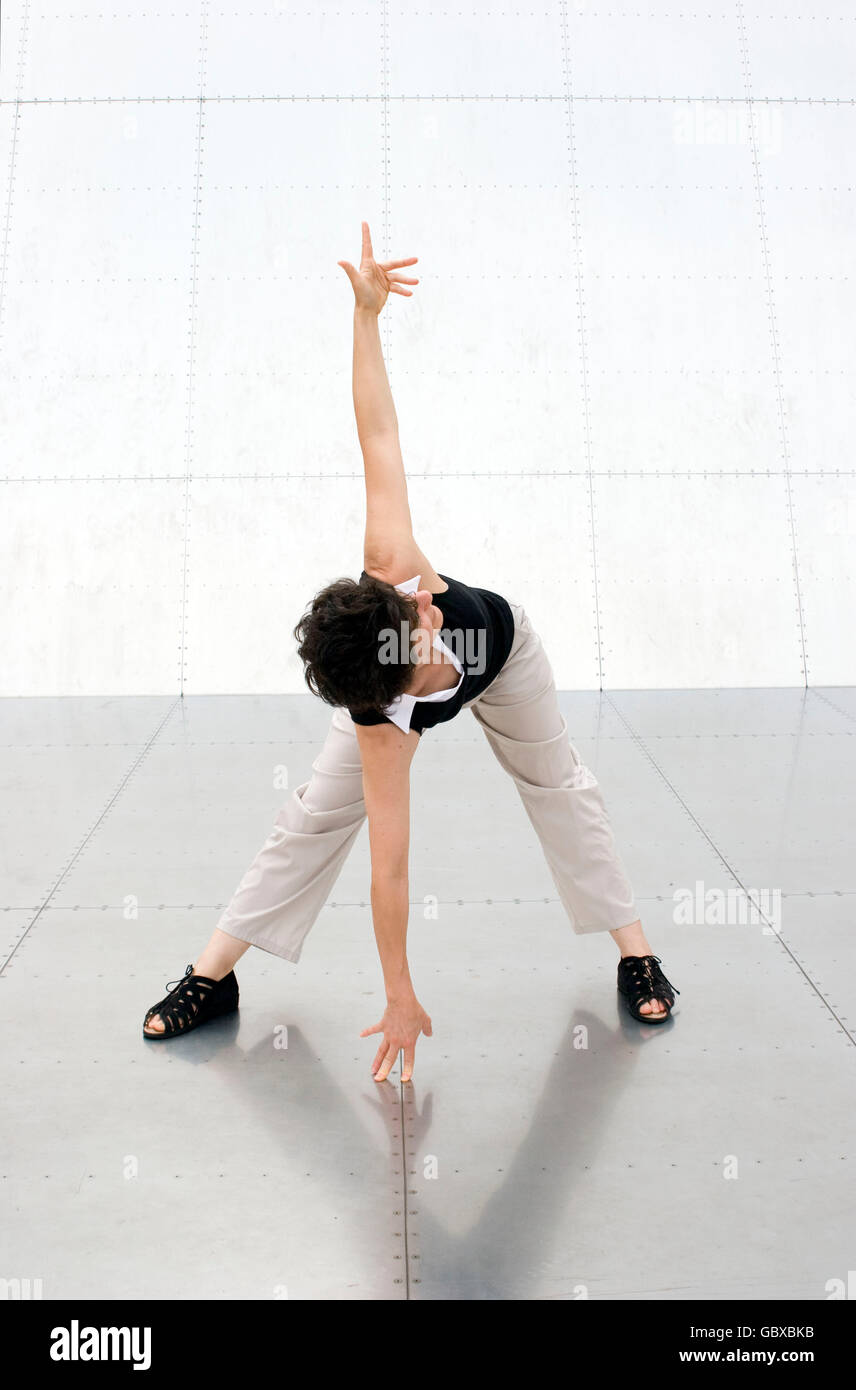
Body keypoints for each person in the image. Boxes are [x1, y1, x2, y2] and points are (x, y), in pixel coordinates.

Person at [142, 222, 679, 1076]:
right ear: (393, 689)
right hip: (409, 702)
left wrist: (366, 318)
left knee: (560, 787)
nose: (429, 606)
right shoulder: (383, 727)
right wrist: (399, 991)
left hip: (509, 659)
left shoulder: (397, 567)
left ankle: (636, 955)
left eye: (417, 607)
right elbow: (388, 875)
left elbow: (377, 434)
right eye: (422, 621)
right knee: (312, 818)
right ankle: (213, 976)